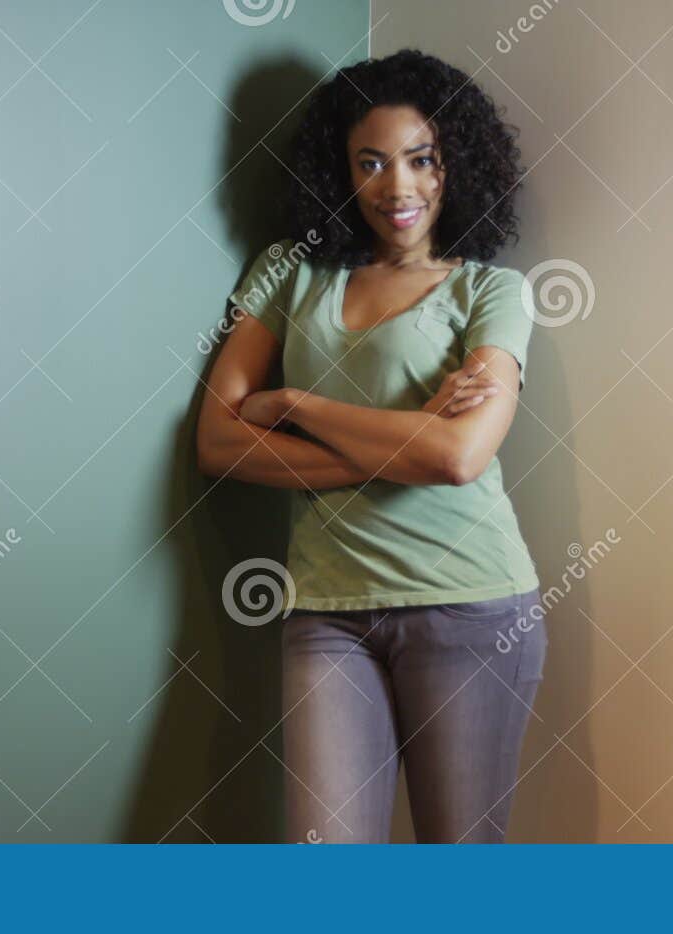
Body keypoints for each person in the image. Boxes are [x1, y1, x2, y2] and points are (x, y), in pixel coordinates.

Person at [196, 49, 544, 844]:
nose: (399, 187)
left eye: (422, 160)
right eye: (371, 162)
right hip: (327, 613)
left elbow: (460, 459)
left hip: (471, 606)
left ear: (456, 164)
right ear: (340, 171)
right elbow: (218, 439)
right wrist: (410, 441)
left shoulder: (491, 292)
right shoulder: (289, 273)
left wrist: (291, 405)